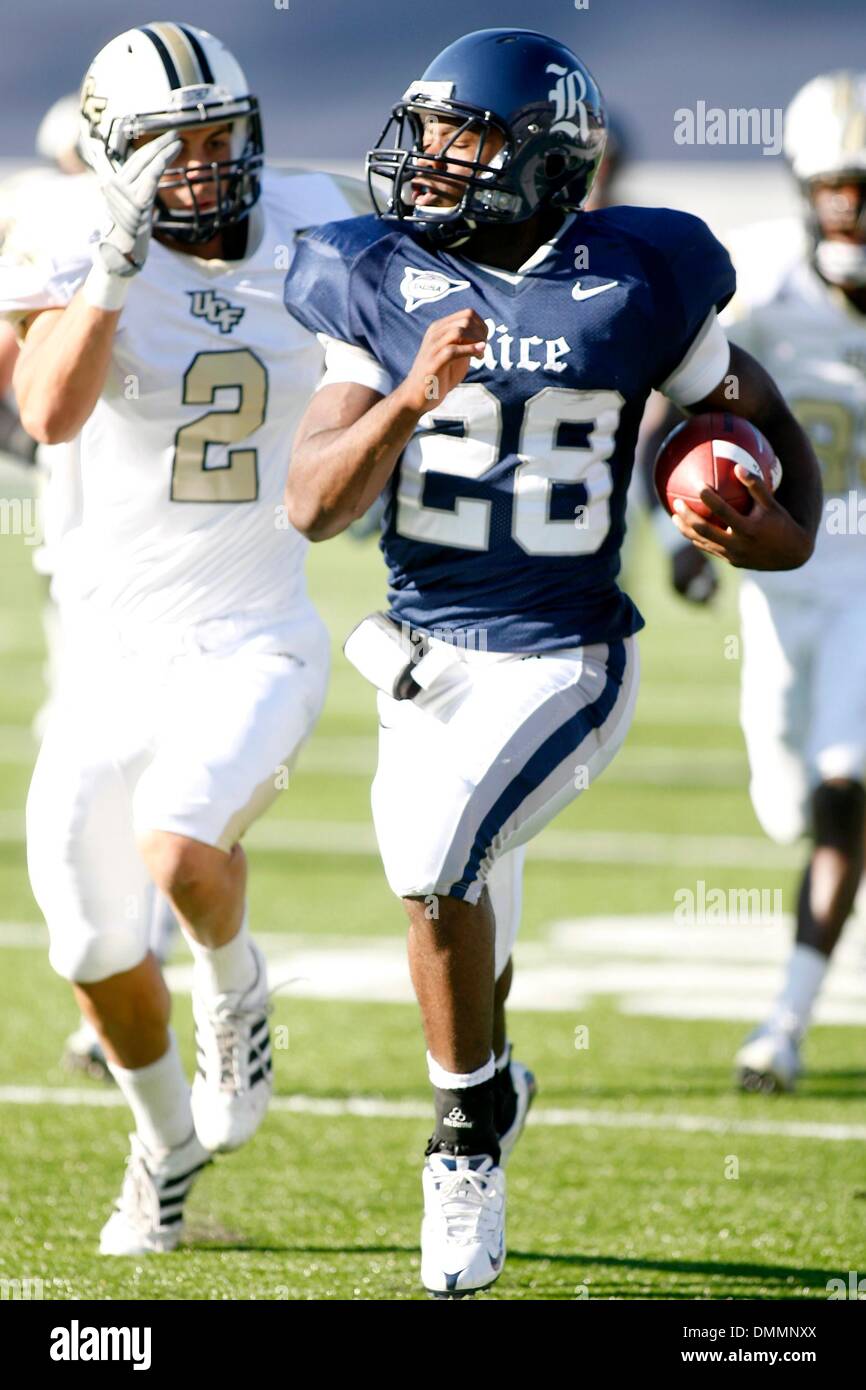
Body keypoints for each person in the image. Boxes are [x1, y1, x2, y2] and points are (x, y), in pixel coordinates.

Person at [281, 27, 821, 1296]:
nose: (424, 163)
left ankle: (463, 1139)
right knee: (465, 896)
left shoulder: (640, 277)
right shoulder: (372, 276)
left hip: (568, 660)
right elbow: (310, 505)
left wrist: (775, 534)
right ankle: (497, 1078)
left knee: (438, 867)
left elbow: (759, 415)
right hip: (422, 663)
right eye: (424, 133)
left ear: (537, 157)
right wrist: (405, 400)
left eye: (459, 138)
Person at [0, 21, 365, 1255]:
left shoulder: (320, 219)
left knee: (180, 848)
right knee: (90, 943)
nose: (206, 164)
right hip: (104, 655)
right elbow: (46, 411)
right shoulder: (62, 232)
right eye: (175, 142)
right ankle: (162, 1151)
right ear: (111, 155)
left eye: (220, 136)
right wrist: (110, 258)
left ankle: (236, 986)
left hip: (253, 629)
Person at [723, 73, 866, 1092]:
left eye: (860, 185)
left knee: (839, 788)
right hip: (778, 576)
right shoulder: (763, 283)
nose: (846, 206)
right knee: (781, 798)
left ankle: (785, 1016)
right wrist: (682, 526)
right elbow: (687, 396)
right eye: (831, 185)